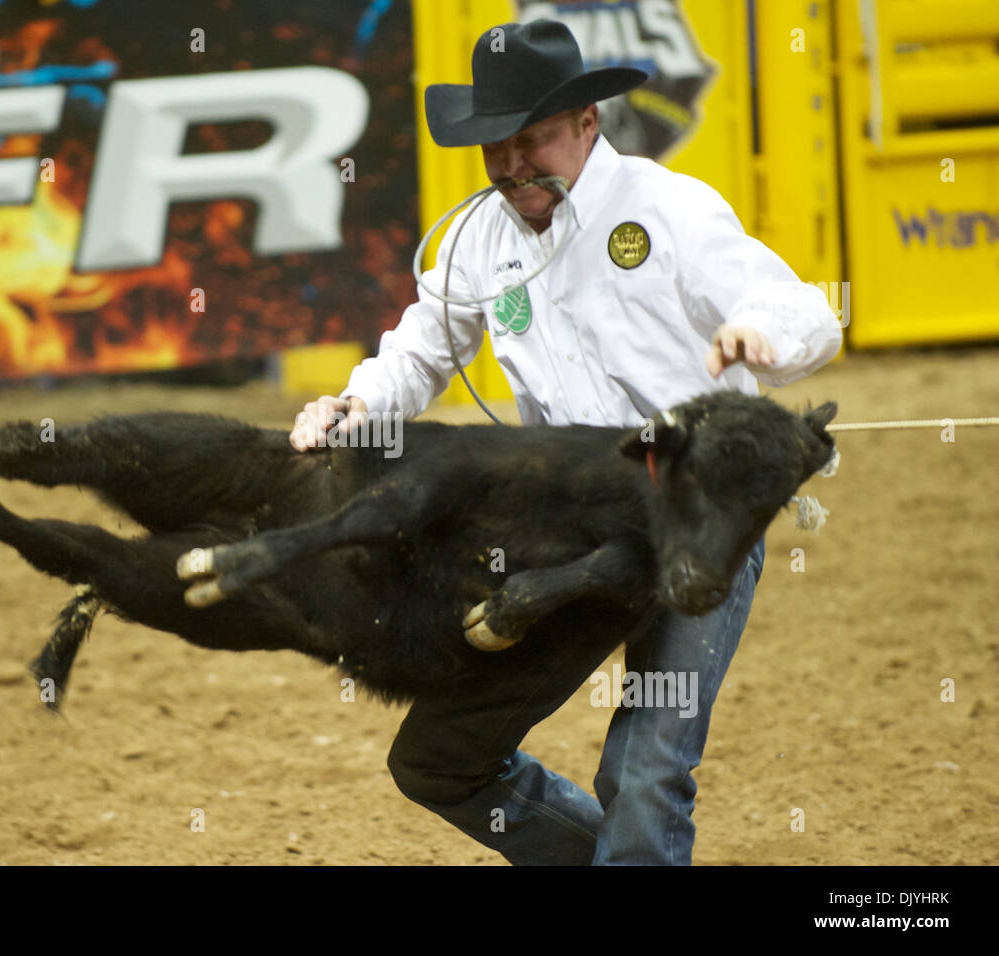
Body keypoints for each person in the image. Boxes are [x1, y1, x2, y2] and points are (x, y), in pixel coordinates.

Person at [288, 19, 842, 865]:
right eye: (495, 147)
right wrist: (355, 404)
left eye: (533, 139)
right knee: (442, 761)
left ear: (589, 121)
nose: (513, 166)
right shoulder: (479, 239)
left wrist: (759, 333)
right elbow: (420, 348)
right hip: (566, 532)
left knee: (648, 774)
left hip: (693, 522)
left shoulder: (671, 210)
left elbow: (803, 310)